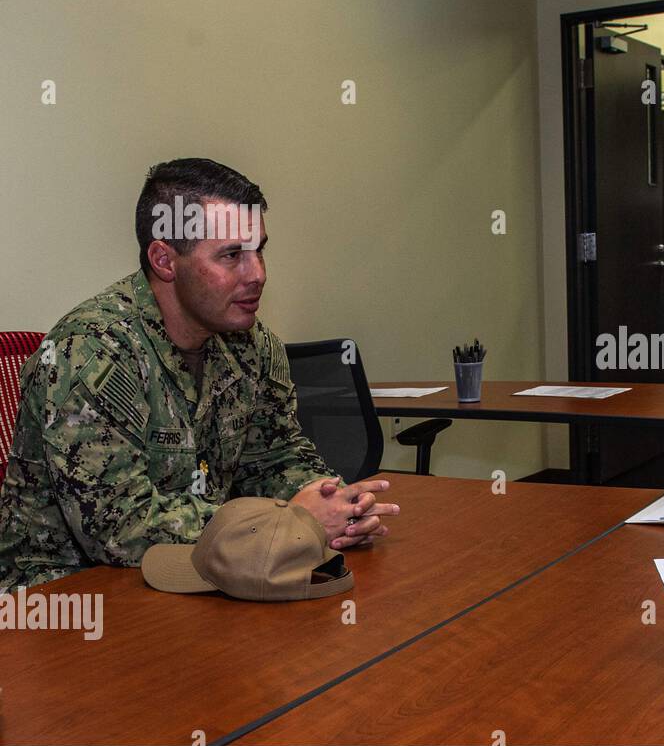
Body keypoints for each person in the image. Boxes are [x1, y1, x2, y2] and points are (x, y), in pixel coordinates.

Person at [0, 158, 398, 591]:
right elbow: (119, 529)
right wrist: (292, 523)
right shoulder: (92, 351)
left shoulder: (253, 344)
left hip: (203, 572)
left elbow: (276, 457)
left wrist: (335, 505)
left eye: (259, 249)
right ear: (164, 261)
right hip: (68, 592)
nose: (258, 274)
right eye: (232, 255)